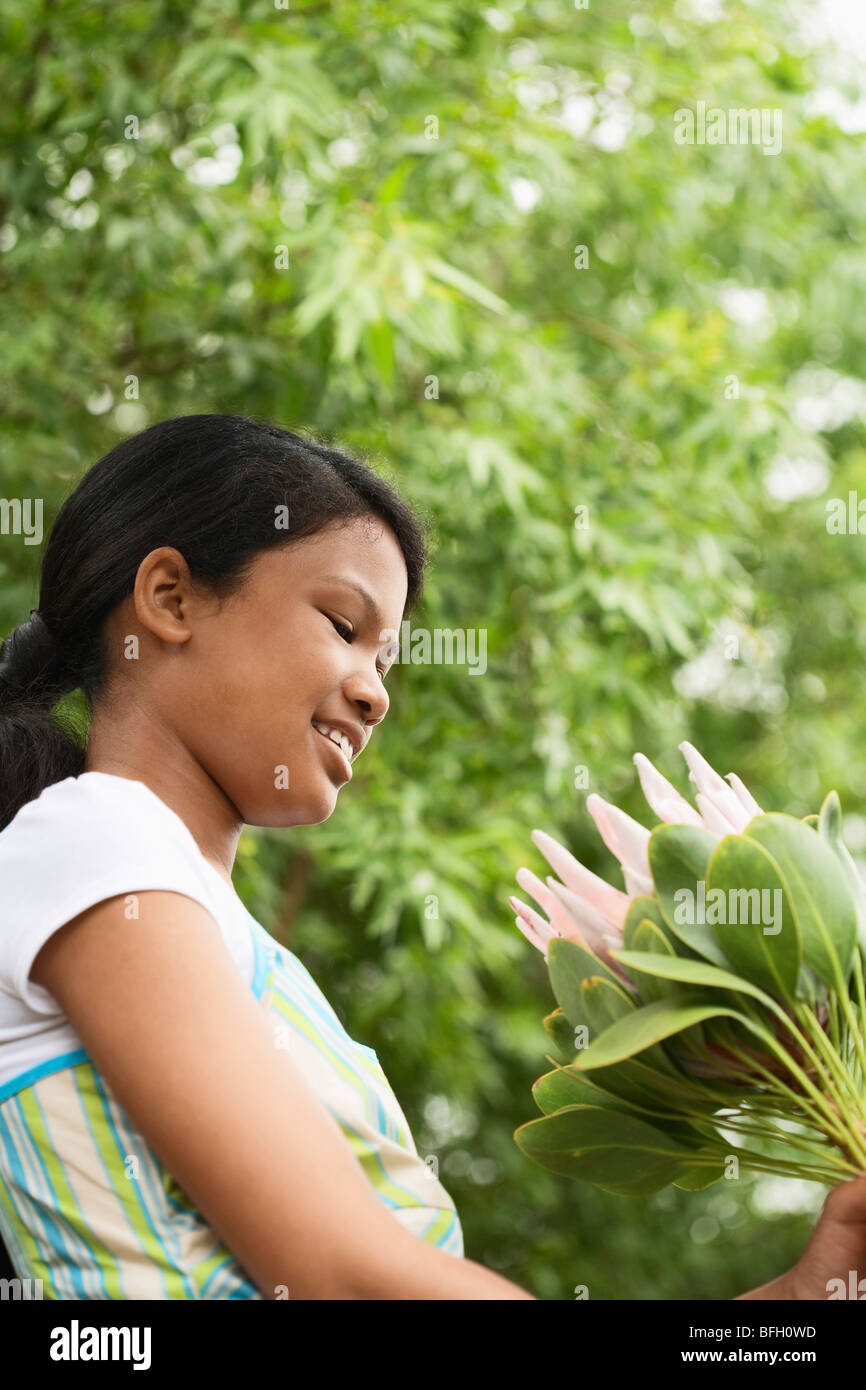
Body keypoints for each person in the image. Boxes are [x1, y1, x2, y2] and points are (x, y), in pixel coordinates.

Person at [0, 413, 862, 1301]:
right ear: (171, 599)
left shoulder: (222, 936)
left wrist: (803, 1301)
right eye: (343, 624)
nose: (375, 693)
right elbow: (344, 1277)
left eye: (389, 657)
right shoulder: (91, 838)